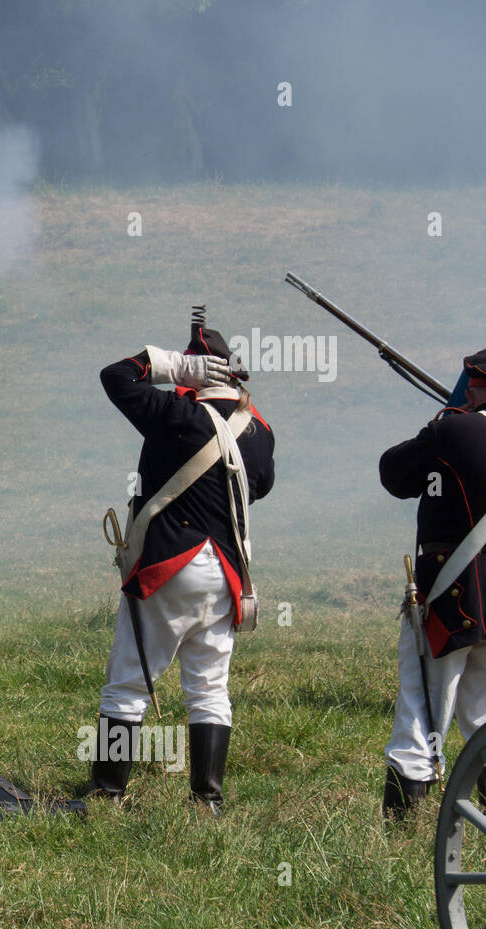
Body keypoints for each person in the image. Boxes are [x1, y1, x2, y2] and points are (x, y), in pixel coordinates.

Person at [92, 312, 275, 812]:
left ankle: (108, 793)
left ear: (195, 369)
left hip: (170, 567)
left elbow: (115, 376)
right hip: (227, 575)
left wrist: (168, 367)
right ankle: (207, 801)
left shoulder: (176, 414)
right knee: (210, 686)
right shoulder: (259, 432)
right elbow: (257, 488)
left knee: (128, 681)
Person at [380, 349, 486, 817]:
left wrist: (441, 425)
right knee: (482, 716)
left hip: (453, 600)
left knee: (420, 715)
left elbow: (394, 473)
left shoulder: (454, 429)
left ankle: (402, 833)